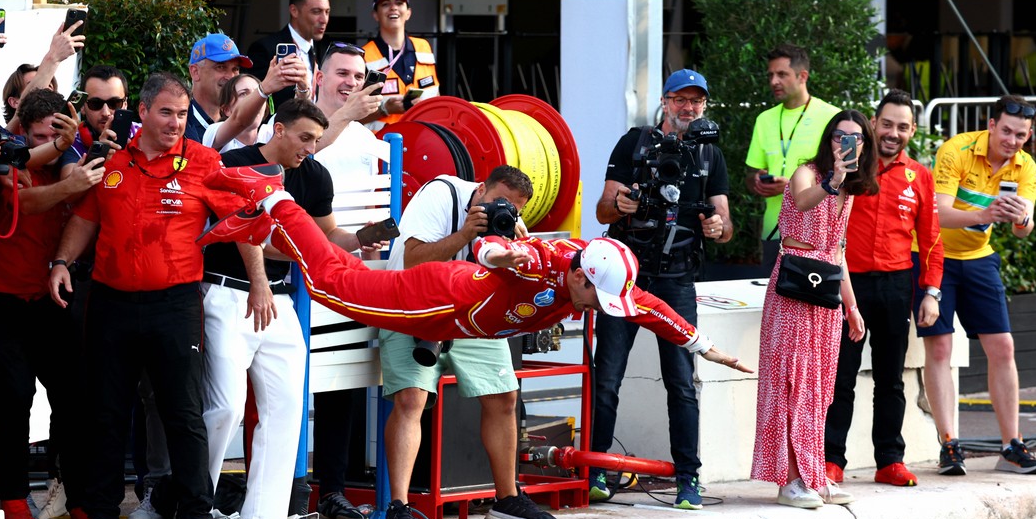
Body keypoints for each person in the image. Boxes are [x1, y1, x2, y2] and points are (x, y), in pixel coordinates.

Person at [199, 165, 754, 374]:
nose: (600, 311)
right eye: (596, 300)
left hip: (457, 326)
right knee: (330, 285)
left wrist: (705, 347)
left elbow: (653, 310)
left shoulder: (607, 277)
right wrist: (500, 253)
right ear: (581, 276)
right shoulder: (544, 263)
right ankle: (272, 200)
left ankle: (263, 228)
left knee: (340, 272)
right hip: (441, 299)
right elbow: (492, 252)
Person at [47, 72, 244, 519]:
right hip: (111, 303)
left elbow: (243, 220)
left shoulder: (204, 161)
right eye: (166, 112)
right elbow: (85, 218)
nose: (176, 122)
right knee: (106, 413)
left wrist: (259, 281)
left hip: (175, 304)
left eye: (181, 114)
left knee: (183, 414)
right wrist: (60, 263)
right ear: (142, 111)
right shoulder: (113, 164)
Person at [201, 98, 361, 519]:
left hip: (280, 297)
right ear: (278, 129)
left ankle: (263, 516)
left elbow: (328, 235)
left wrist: (366, 239)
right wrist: (261, 281)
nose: (311, 148)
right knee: (226, 407)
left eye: (316, 140)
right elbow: (245, 228)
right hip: (231, 290)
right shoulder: (237, 162)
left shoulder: (314, 175)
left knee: (288, 404)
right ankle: (197, 508)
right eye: (305, 138)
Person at [380, 166, 554, 519]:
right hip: (413, 303)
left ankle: (506, 499)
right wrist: (465, 234)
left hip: (471, 310)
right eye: (496, 204)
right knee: (412, 398)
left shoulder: (506, 224)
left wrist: (515, 252)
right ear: (480, 190)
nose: (500, 212)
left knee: (505, 396)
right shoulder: (442, 194)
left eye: (513, 210)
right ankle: (398, 508)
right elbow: (413, 260)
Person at [591, 69, 733, 510]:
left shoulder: (710, 155)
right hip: (625, 277)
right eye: (680, 100)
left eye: (696, 101)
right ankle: (596, 469)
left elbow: (726, 228)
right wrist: (622, 204)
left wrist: (716, 225)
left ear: (704, 106)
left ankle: (688, 478)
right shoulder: (634, 143)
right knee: (607, 377)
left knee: (681, 382)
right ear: (665, 102)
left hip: (676, 279)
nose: (688, 108)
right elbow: (601, 210)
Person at [0, 88, 104, 519]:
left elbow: (80, 188)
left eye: (56, 136)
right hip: (4, 299)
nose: (48, 144)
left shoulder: (71, 157)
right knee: (14, 398)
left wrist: (72, 159)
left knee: (72, 399)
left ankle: (79, 500)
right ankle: (12, 501)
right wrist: (67, 180)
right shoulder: (4, 158)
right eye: (38, 136)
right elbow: (24, 203)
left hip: (53, 296)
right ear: (21, 130)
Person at [751, 110, 878, 509]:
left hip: (824, 292)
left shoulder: (850, 192)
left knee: (818, 388)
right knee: (790, 382)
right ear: (828, 139)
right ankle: (789, 480)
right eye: (841, 136)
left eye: (856, 139)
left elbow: (838, 250)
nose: (847, 145)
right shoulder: (808, 174)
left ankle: (813, 474)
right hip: (793, 285)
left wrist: (852, 306)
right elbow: (804, 202)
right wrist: (833, 179)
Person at [824, 90, 944, 488]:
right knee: (839, 377)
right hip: (848, 287)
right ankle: (830, 460)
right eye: (887, 124)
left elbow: (930, 240)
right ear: (873, 125)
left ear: (912, 131)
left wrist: (931, 292)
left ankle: (890, 460)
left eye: (903, 126)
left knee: (891, 380)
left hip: (896, 286)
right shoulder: (852, 168)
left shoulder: (920, 176)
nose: (893, 133)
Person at [922, 95, 1036, 476]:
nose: (1012, 140)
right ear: (991, 125)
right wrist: (986, 213)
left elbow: (1026, 230)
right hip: (933, 252)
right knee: (940, 346)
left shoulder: (1026, 166)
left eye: (1021, 134)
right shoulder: (956, 149)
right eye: (1006, 130)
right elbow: (938, 213)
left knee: (1003, 345)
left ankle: (1011, 446)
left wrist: (1021, 221)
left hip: (978, 256)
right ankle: (949, 445)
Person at [306, 43, 388, 519]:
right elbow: (306, 152)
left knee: (345, 386)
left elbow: (375, 202)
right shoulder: (298, 118)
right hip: (296, 276)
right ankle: (284, 491)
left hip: (349, 277)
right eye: (341, 73)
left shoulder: (367, 138)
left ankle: (332, 490)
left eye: (358, 75)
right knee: (287, 392)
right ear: (319, 75)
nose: (350, 82)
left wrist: (374, 241)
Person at [745, 45, 841, 278]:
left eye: (782, 74)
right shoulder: (764, 119)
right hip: (774, 233)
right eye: (770, 75)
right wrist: (757, 181)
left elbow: (843, 179)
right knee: (775, 310)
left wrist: (790, 186)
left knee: (814, 308)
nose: (774, 81)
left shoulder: (832, 117)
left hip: (816, 235)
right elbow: (750, 175)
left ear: (802, 76)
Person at [361, 0, 440, 128]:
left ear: (408, 13)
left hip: (423, 141)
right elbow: (352, 117)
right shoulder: (363, 56)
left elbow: (436, 96)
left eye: (399, 3)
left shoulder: (424, 47)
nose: (393, 7)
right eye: (385, 4)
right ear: (375, 14)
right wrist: (385, 109)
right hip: (381, 144)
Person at [246, 0, 330, 106]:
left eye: (327, 12)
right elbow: (255, 101)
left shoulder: (327, 49)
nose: (324, 19)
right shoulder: (265, 49)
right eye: (316, 12)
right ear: (294, 11)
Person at [185, 34, 253, 143]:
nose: (230, 77)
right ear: (195, 72)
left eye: (235, 69)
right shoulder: (177, 124)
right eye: (221, 67)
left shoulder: (246, 125)